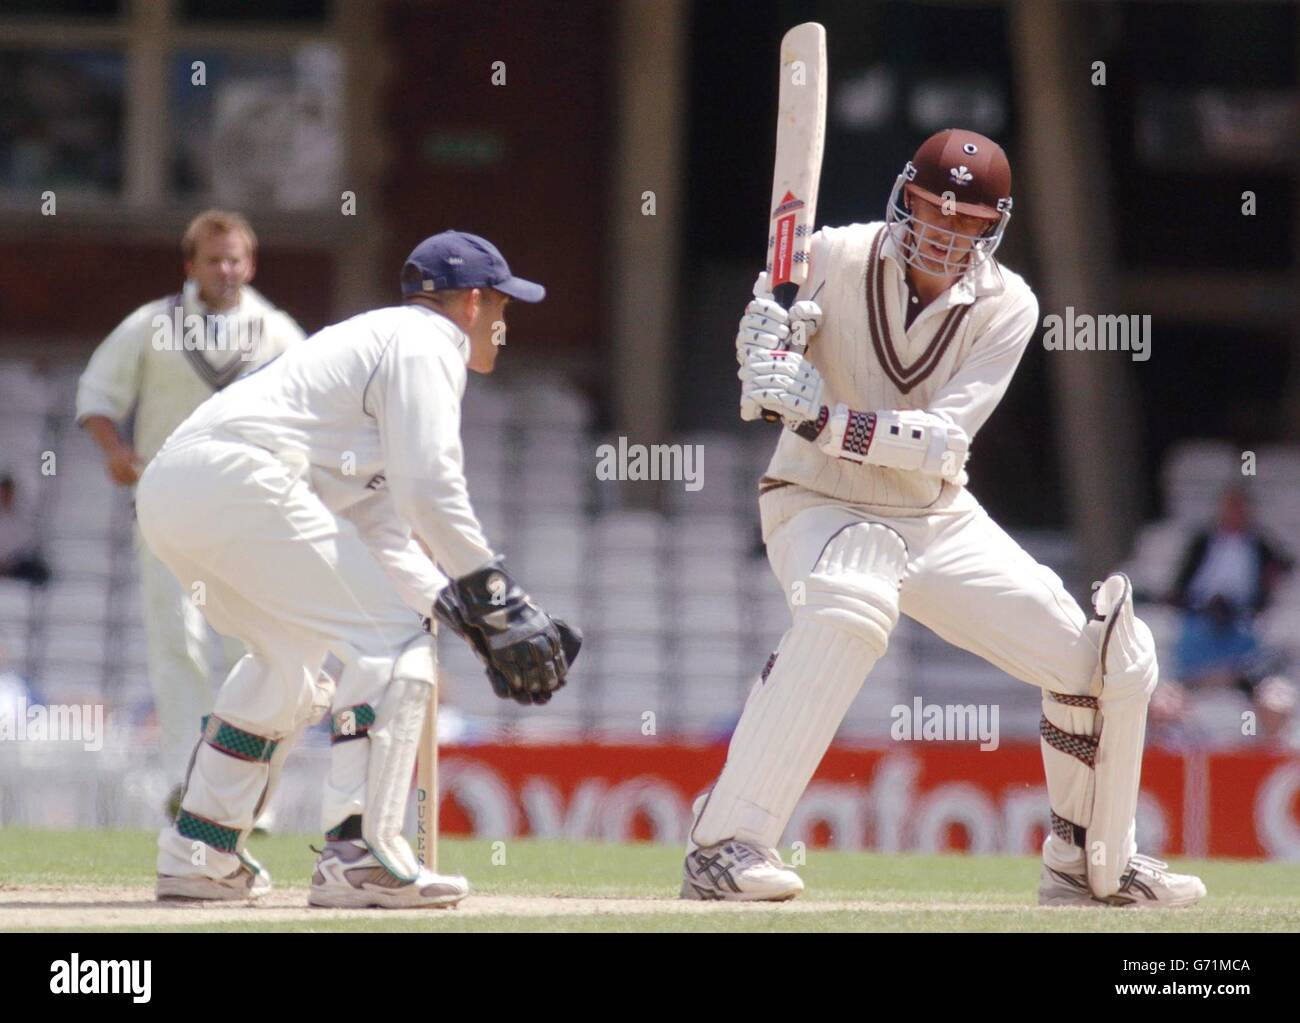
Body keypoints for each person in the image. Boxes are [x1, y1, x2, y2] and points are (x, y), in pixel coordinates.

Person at [685, 129, 1205, 908]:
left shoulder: (1009, 305)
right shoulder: (831, 255)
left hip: (935, 515)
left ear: (994, 226)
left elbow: (942, 443)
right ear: (904, 198)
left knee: (1095, 658)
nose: (944, 234)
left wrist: (820, 412)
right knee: (852, 601)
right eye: (933, 211)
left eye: (967, 222)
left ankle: (1086, 857)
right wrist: (765, 349)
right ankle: (724, 845)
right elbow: (774, 353)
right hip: (816, 501)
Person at [134, 230, 580, 907]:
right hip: (237, 478)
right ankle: (362, 854)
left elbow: (386, 529)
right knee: (395, 639)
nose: (503, 323)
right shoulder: (429, 342)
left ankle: (199, 852)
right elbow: (430, 485)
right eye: (502, 307)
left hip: (177, 489)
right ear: (472, 302)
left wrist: (466, 615)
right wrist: (499, 596)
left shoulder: (376, 351)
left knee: (286, 661)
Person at [76, 210, 305, 816]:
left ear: (250, 264)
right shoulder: (153, 326)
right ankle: (188, 780)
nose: (226, 270)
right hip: (166, 507)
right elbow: (98, 395)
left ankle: (250, 793)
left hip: (246, 515)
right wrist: (115, 451)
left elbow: (311, 414)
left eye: (235, 259)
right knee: (177, 640)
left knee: (250, 647)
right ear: (191, 265)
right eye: (214, 259)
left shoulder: (277, 332)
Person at [0, 473, 51, 586]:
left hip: (16, 564)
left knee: (39, 571)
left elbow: (27, 544)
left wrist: (9, 561)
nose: (6, 496)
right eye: (3, 493)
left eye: (9, 493)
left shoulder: (22, 517)